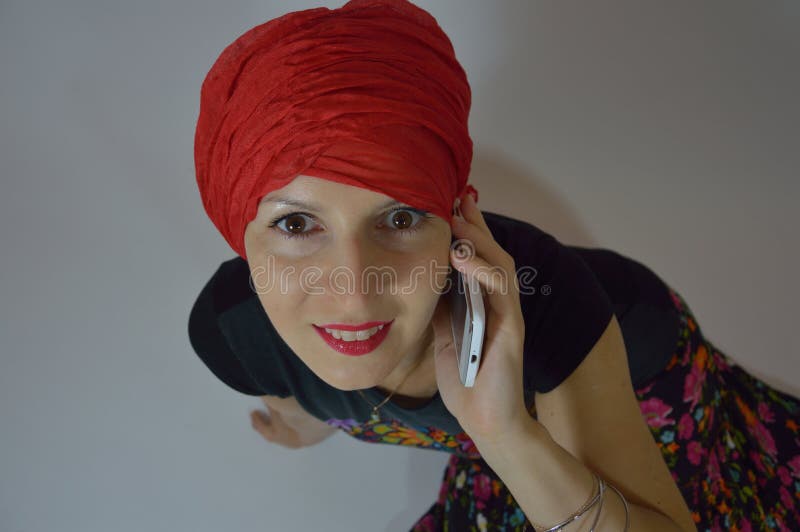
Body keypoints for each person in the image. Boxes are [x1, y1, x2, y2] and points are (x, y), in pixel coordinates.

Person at [188, 1, 800, 530]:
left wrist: (506, 435)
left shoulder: (555, 308)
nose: (354, 296)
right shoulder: (235, 333)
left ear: (456, 216)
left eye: (400, 218)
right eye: (296, 224)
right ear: (239, 234)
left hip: (638, 372)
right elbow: (305, 403)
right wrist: (307, 425)